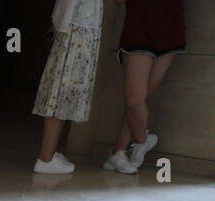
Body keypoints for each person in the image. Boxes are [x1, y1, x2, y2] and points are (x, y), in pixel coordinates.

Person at [102, 0, 185, 174]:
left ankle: (118, 152)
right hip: (138, 29)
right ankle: (142, 140)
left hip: (171, 28)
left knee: (141, 98)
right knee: (134, 100)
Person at [32, 0, 104, 174]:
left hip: (78, 25)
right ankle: (45, 158)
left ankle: (48, 154)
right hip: (77, 27)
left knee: (63, 89)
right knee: (62, 90)